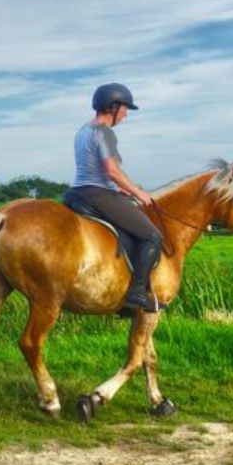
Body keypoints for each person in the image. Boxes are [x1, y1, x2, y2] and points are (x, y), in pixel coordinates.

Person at [68, 83, 165, 311]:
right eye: (124, 108)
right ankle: (137, 293)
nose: (126, 114)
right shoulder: (104, 132)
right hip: (98, 194)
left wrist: (119, 188)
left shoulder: (82, 130)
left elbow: (95, 170)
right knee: (153, 237)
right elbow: (112, 170)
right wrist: (138, 192)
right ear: (113, 107)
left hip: (77, 193)